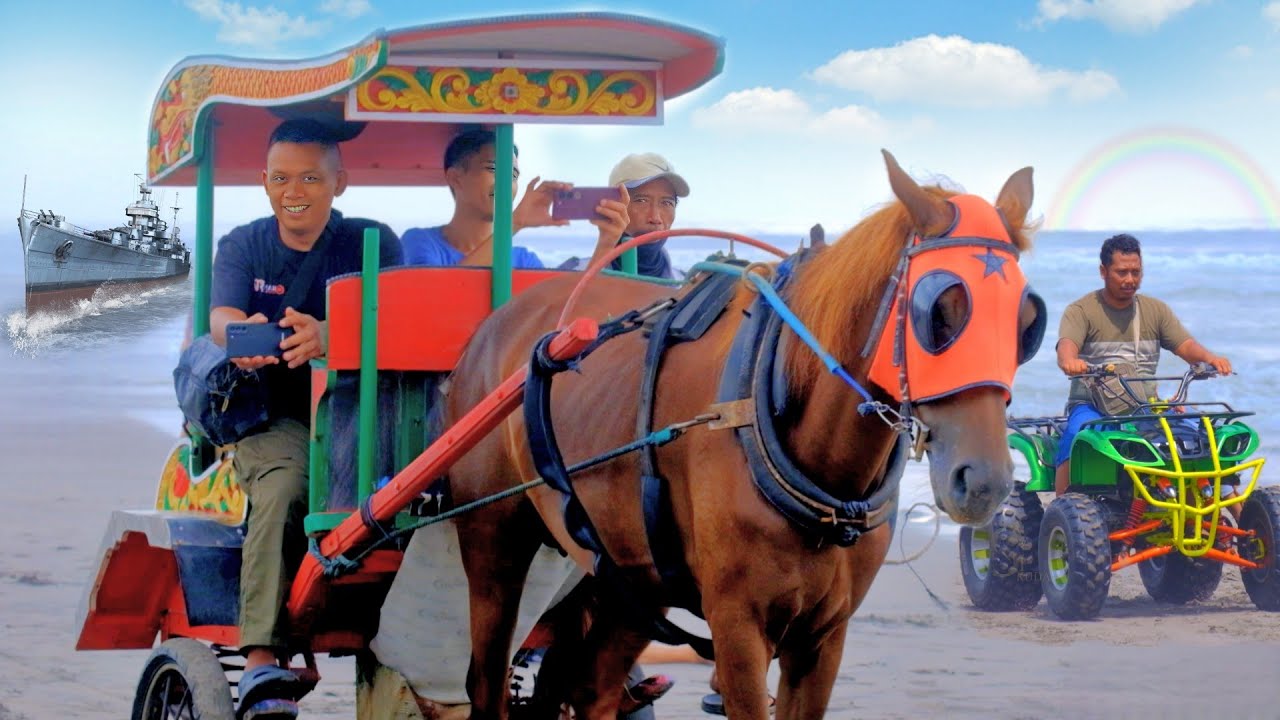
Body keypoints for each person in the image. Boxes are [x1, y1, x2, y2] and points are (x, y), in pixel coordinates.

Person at [209, 118, 402, 715]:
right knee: (287, 486)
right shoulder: (244, 245)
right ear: (264, 182)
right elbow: (220, 319)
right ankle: (261, 656)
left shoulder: (373, 240)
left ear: (339, 182)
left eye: (311, 178)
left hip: (365, 412)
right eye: (281, 178)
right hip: (275, 417)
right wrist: (245, 336)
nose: (294, 191)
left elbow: (399, 319)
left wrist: (331, 334)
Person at [1054, 233, 1232, 496]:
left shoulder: (1155, 310)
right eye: (1122, 272)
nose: (1130, 280)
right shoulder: (1081, 311)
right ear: (1103, 271)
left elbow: (1185, 346)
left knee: (1202, 435)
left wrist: (1210, 359)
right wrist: (1069, 361)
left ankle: (1240, 513)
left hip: (1146, 406)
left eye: (1136, 272)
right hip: (1094, 406)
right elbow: (1067, 344)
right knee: (1077, 434)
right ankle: (1062, 507)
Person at [401, 128, 629, 268]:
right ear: (456, 178)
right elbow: (438, 294)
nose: (505, 184)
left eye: (513, 176)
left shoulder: (523, 260)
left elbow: (562, 309)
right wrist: (515, 222)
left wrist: (606, 244)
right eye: (493, 169)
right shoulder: (419, 241)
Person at [606, 152, 687, 278]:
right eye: (641, 201)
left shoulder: (685, 283)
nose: (655, 218)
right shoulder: (575, 277)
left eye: (666, 203)